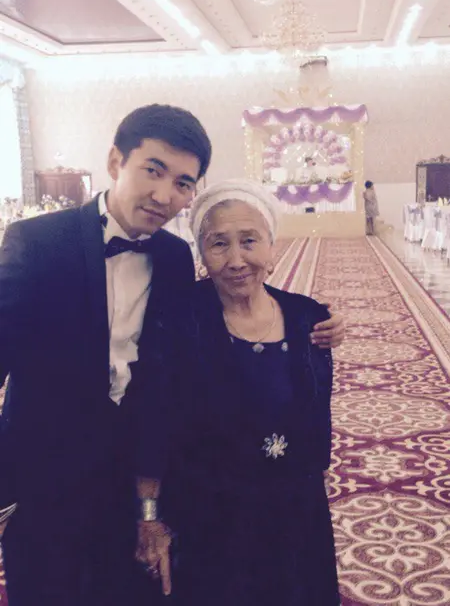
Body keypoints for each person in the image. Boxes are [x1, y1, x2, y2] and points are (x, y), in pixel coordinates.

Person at [0, 106, 344, 605]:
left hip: (132, 470)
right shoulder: (37, 242)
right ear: (116, 161)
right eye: (153, 171)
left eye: (183, 183)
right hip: (48, 473)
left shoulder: (173, 256)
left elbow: (184, 358)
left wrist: (321, 323)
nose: (165, 195)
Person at [150, 180, 340, 605]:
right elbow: (156, 419)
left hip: (295, 508)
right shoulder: (178, 319)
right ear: (202, 253)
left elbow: (314, 407)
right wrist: (153, 515)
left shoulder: (306, 316)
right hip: (211, 514)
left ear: (271, 246)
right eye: (219, 244)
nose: (236, 260)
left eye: (249, 241)